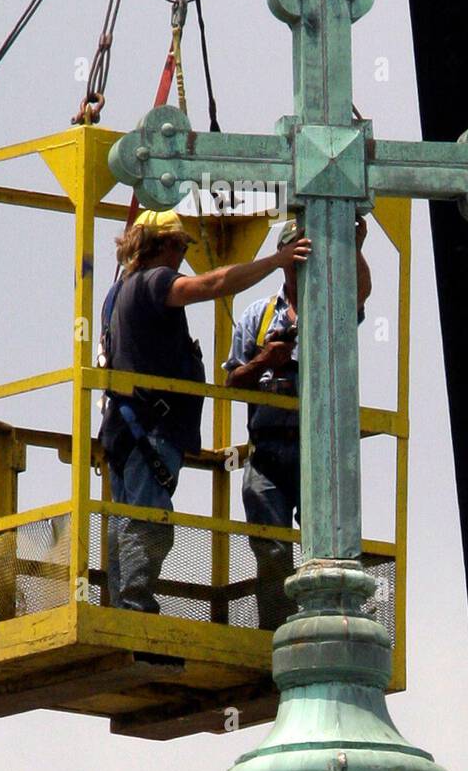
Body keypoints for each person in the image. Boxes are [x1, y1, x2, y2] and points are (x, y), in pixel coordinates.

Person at [99, 208, 312, 613]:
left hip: (123, 429)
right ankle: (135, 609)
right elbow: (213, 283)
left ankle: (119, 606)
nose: (182, 257)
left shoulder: (117, 292)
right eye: (180, 247)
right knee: (149, 523)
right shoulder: (156, 279)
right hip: (150, 430)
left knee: (124, 519)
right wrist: (275, 261)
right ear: (161, 246)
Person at [224, 216, 372, 629]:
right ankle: (276, 626)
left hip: (317, 447)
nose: (302, 264)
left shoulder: (332, 305)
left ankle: (326, 622)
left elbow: (361, 291)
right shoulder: (258, 314)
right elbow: (232, 380)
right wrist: (264, 361)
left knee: (327, 547)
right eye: (296, 256)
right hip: (268, 451)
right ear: (285, 258)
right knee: (271, 550)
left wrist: (355, 247)